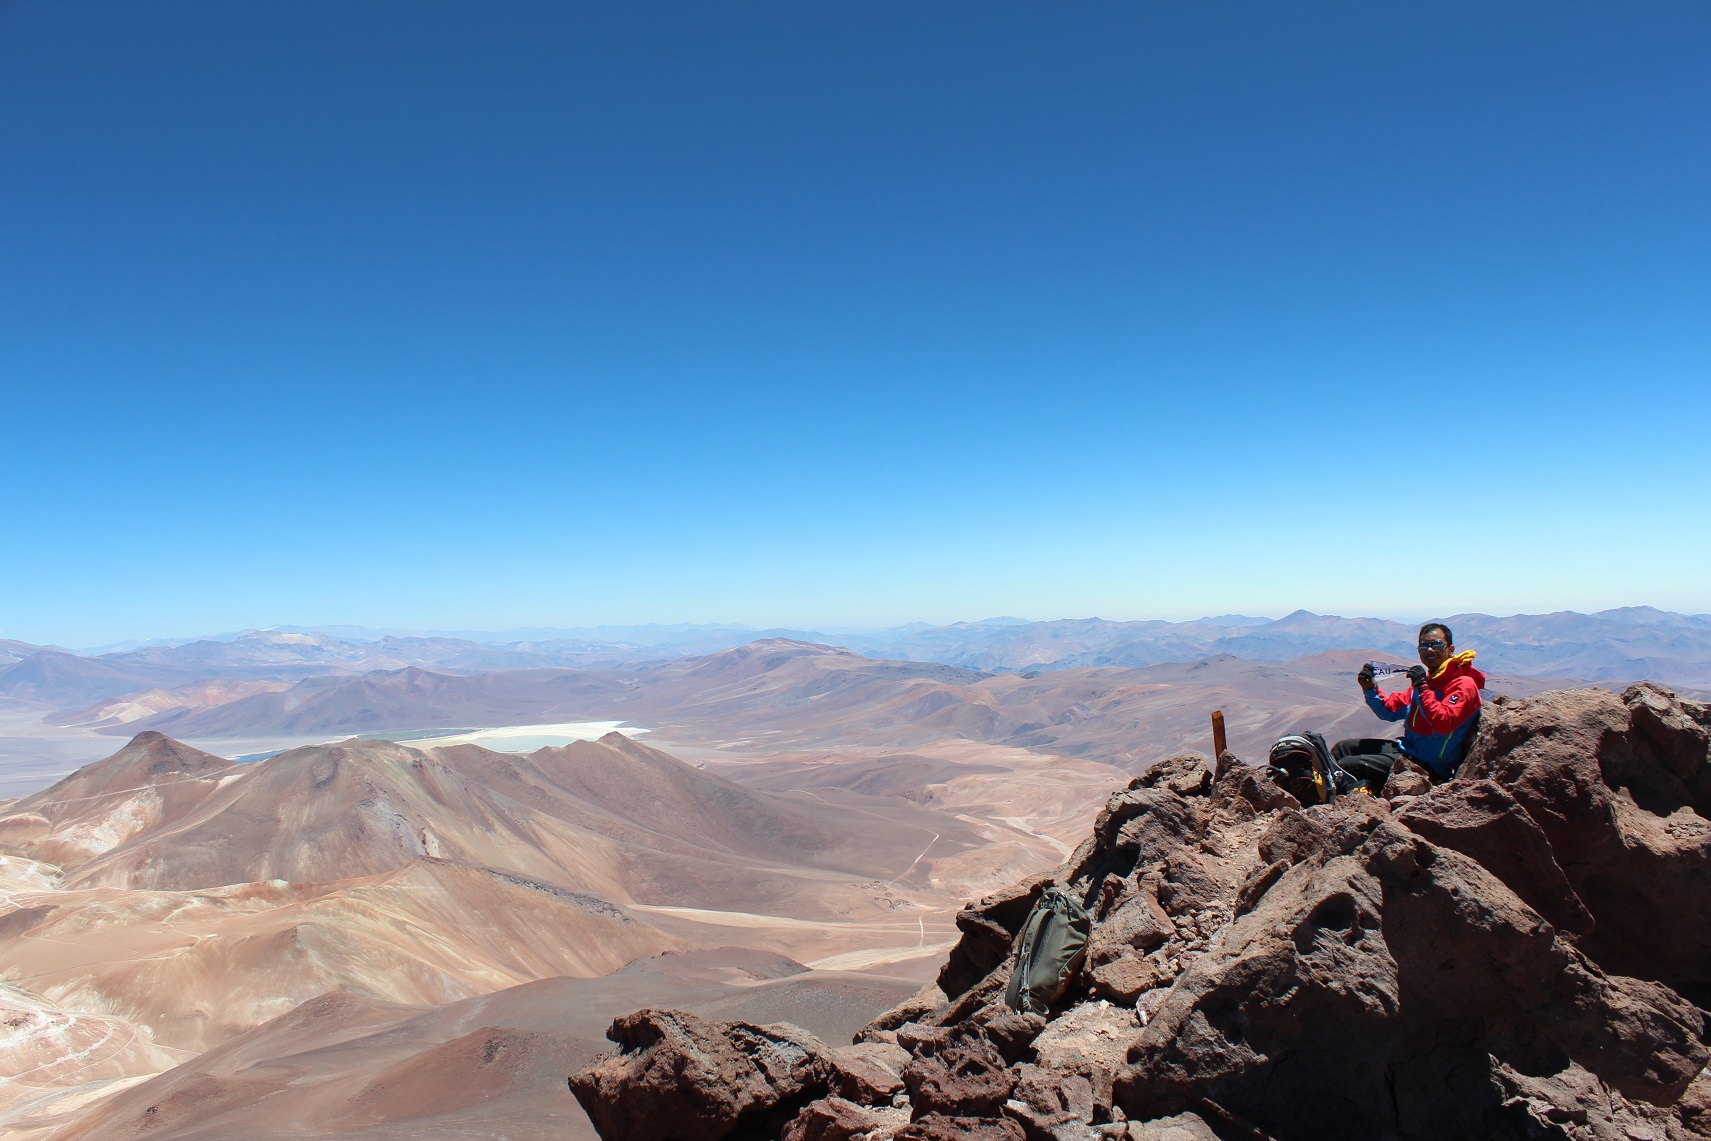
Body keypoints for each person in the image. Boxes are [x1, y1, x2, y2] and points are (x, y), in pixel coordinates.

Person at [1332, 622, 1487, 791]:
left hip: (1429, 765)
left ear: (1450, 649)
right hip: (1407, 749)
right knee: (1343, 748)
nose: (1429, 650)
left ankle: (1338, 800)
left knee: (1348, 765)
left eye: (1436, 645)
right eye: (1423, 646)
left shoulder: (1463, 684)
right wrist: (1370, 687)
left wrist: (1422, 687)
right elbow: (1389, 710)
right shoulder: (1429, 682)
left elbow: (1444, 723)